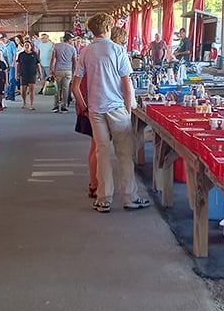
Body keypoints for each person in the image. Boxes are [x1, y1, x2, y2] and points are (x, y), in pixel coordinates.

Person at [72, 12, 150, 213]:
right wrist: (128, 107)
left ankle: (103, 198)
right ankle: (130, 197)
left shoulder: (86, 52)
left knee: (102, 153)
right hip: (116, 108)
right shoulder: (117, 50)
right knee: (124, 154)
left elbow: (75, 86)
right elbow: (126, 83)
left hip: (95, 110)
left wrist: (84, 106)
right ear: (108, 29)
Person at [74, 63, 98, 199]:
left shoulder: (84, 65)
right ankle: (94, 184)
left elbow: (76, 88)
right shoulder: (94, 69)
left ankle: (94, 183)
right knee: (97, 148)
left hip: (87, 109)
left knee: (95, 147)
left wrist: (83, 109)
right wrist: (86, 109)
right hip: (94, 109)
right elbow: (75, 88)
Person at [49, 32, 77, 113]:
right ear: (70, 40)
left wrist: (51, 68)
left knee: (57, 89)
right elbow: (75, 62)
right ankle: (64, 106)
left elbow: (53, 58)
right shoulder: (72, 49)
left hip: (58, 70)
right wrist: (75, 72)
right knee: (66, 89)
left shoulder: (56, 46)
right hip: (68, 71)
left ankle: (56, 106)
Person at [17, 39, 40, 110]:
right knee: (23, 90)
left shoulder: (34, 54)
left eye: (28, 45)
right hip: (23, 73)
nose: (27, 46)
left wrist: (40, 74)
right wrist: (17, 73)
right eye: (25, 45)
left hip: (32, 73)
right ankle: (24, 102)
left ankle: (31, 104)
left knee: (31, 90)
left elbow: (38, 64)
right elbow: (18, 64)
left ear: (31, 46)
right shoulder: (21, 54)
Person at [5, 35, 20, 101]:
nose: (3, 40)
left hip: (11, 65)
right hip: (5, 65)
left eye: (4, 38)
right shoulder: (2, 44)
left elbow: (14, 54)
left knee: (12, 80)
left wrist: (13, 63)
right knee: (7, 80)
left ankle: (11, 95)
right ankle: (8, 94)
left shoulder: (12, 44)